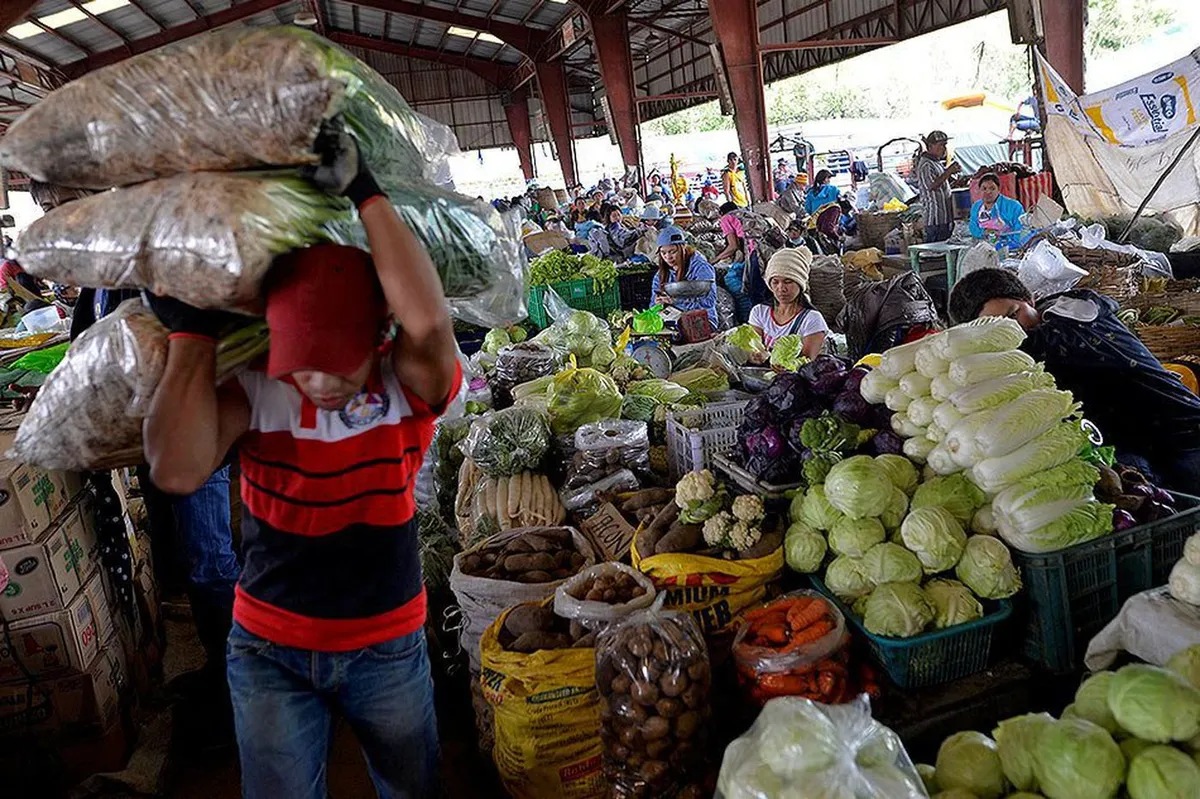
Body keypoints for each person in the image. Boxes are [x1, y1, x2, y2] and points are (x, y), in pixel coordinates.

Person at [142, 128, 458, 798]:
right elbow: (175, 469)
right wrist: (190, 332)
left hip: (387, 644)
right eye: (300, 356)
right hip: (268, 647)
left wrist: (365, 190)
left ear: (376, 336)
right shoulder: (258, 386)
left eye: (332, 355)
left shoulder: (405, 387)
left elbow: (429, 324)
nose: (313, 378)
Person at [28, 180, 241, 716]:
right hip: (146, 436)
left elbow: (185, 338)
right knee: (185, 559)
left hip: (194, 429)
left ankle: (240, 684)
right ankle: (221, 670)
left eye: (57, 207)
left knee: (210, 561)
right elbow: (89, 343)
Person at [948, 268, 1200, 491]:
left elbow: (1047, 344)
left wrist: (959, 348)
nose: (1012, 330)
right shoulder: (1016, 359)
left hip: (1182, 432)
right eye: (995, 329)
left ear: (1030, 300)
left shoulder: (1074, 314)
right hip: (1127, 448)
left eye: (1013, 315)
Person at [749, 247, 829, 359]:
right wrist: (755, 357)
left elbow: (806, 363)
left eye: (788, 282)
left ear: (800, 284)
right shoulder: (759, 312)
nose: (781, 288)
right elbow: (754, 348)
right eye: (775, 282)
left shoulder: (812, 320)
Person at [649, 226, 718, 330]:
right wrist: (657, 304)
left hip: (702, 321)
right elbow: (652, 305)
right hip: (673, 320)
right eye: (663, 253)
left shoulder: (700, 268)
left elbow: (709, 301)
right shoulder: (660, 275)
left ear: (683, 248)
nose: (668, 257)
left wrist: (677, 301)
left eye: (672, 251)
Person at [715, 201, 766, 311]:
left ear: (721, 213)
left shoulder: (725, 218)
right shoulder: (748, 214)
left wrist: (715, 259)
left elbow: (733, 246)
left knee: (756, 291)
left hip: (757, 251)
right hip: (771, 249)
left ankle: (758, 320)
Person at [916, 130, 961, 243]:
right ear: (930, 146)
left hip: (944, 217)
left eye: (945, 145)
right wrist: (948, 172)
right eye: (941, 145)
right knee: (935, 252)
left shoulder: (936, 162)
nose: (944, 148)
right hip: (935, 219)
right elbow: (931, 186)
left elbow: (941, 184)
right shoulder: (926, 164)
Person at [968, 172, 1025, 241]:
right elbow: (973, 227)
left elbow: (1020, 231)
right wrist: (984, 232)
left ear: (998, 190)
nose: (988, 192)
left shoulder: (1014, 206)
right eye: (984, 188)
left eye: (992, 188)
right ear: (979, 190)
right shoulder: (976, 207)